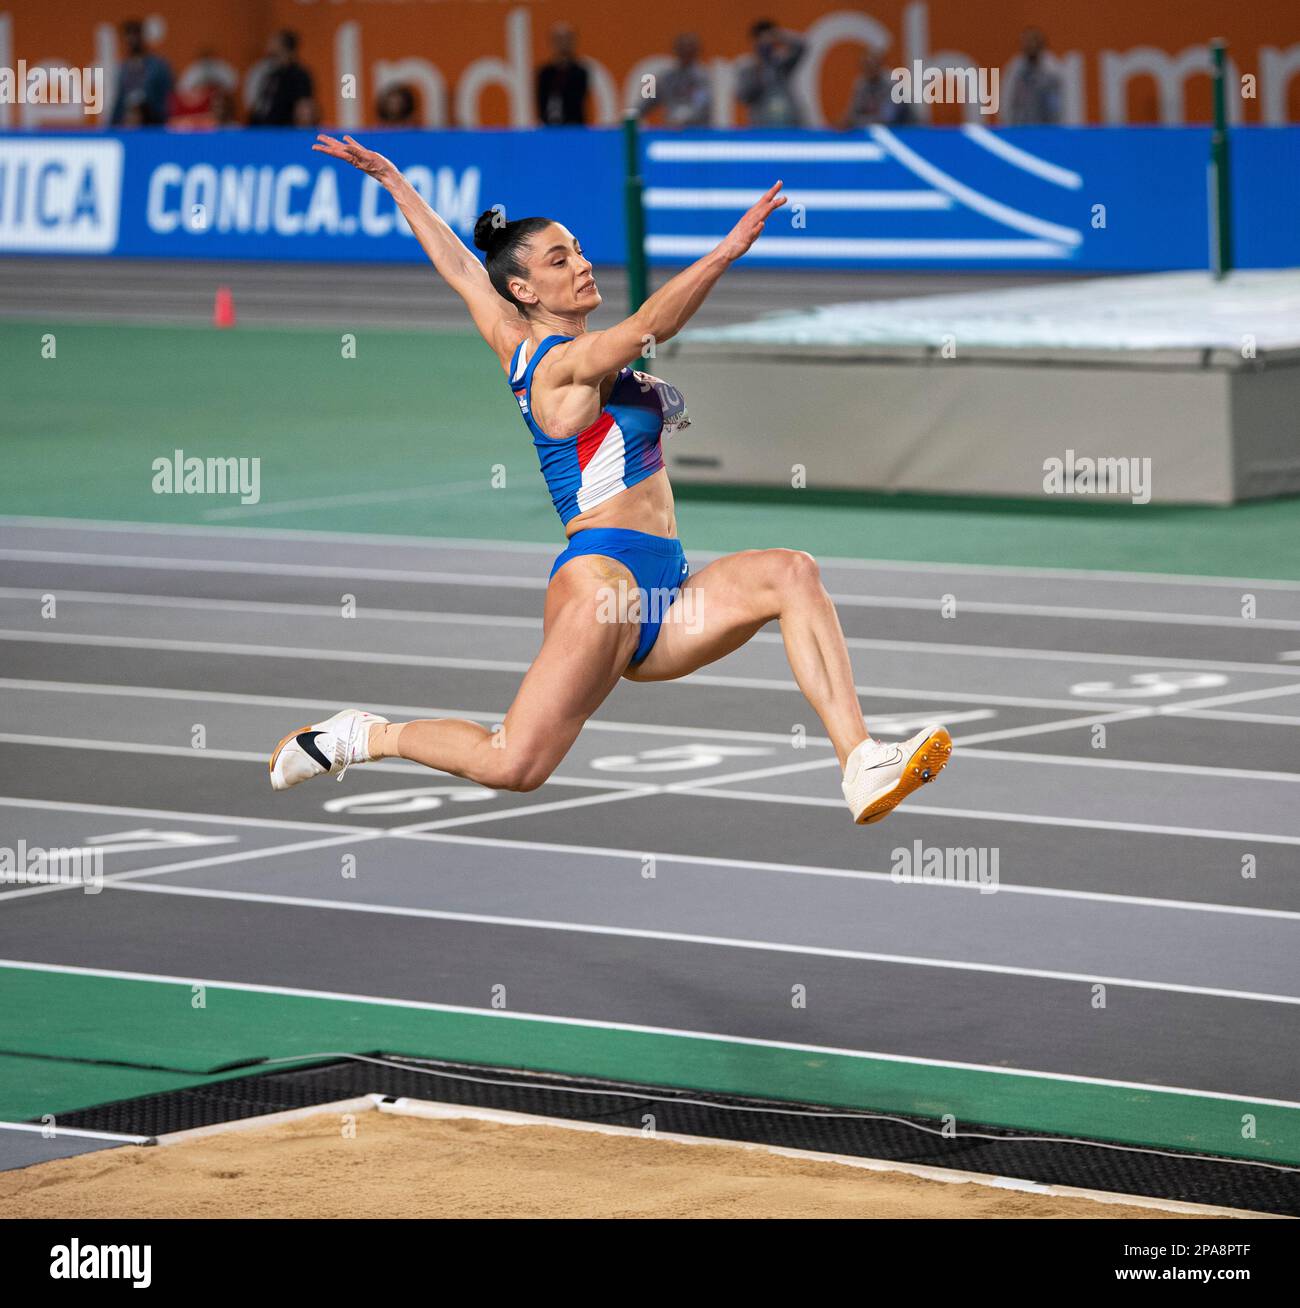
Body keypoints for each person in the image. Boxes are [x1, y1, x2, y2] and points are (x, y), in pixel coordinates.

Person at [268, 132, 953, 824]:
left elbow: (463, 271)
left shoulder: (524, 335)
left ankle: (860, 760)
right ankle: (363, 735)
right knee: (514, 764)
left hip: (669, 583)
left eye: (579, 249)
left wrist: (394, 181)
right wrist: (725, 251)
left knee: (793, 572)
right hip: (602, 581)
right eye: (560, 259)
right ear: (525, 288)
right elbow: (651, 324)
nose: (583, 265)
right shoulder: (555, 365)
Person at [737, 20, 806, 127]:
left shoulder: (781, 63)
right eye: (761, 40)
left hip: (788, 124)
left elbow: (802, 45)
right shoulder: (746, 67)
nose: (765, 44)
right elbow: (742, 97)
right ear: (754, 42)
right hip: (761, 126)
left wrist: (778, 35)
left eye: (768, 39)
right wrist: (757, 70)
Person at [636, 33, 712, 128]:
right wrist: (633, 114)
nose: (685, 53)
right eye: (682, 49)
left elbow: (702, 105)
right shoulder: (668, 77)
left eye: (689, 50)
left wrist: (683, 118)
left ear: (695, 52)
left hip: (697, 134)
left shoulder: (703, 77)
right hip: (672, 132)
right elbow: (648, 100)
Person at [109, 19, 173, 126]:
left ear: (142, 37)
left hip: (155, 125)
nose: (131, 40)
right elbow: (119, 102)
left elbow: (168, 98)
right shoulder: (123, 69)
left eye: (135, 35)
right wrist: (110, 129)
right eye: (127, 36)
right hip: (129, 127)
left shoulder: (158, 66)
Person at [248, 30, 314, 127]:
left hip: (285, 131)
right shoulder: (272, 74)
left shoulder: (299, 75)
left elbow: (303, 106)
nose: (268, 44)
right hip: (262, 129)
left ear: (283, 45)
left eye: (273, 41)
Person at [1001, 27, 1063, 125]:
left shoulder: (1052, 70)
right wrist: (1007, 124)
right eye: (1027, 42)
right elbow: (1007, 98)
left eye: (1033, 41)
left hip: (1047, 127)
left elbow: (1059, 102)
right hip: (1020, 127)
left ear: (1041, 44)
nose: (1030, 45)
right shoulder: (1015, 68)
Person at [841, 49, 912, 128]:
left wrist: (857, 121)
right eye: (865, 67)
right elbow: (852, 114)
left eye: (871, 66)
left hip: (905, 129)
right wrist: (848, 120)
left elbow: (887, 118)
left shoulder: (892, 84)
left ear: (879, 66)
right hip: (878, 129)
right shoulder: (862, 84)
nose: (869, 70)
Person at [535, 23, 589, 126]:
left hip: (575, 128)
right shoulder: (544, 73)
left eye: (567, 39)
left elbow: (577, 102)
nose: (563, 43)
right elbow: (540, 102)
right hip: (549, 128)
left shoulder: (580, 72)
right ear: (552, 43)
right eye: (559, 39)